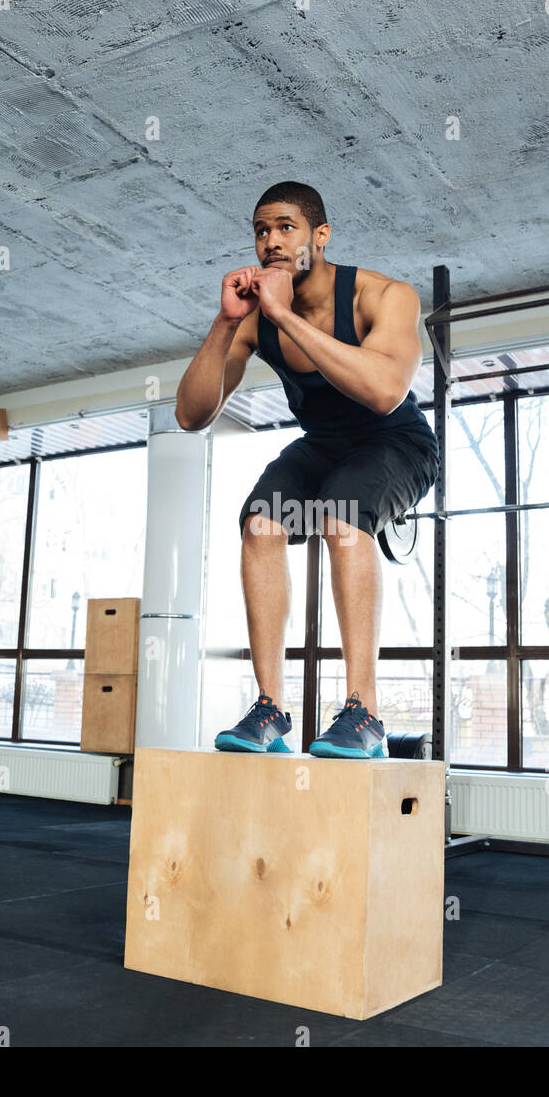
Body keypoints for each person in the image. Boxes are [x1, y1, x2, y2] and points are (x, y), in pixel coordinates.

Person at [176, 181, 438, 758]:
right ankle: (270, 707)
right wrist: (227, 323)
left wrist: (284, 315)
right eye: (261, 230)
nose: (271, 241)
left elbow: (385, 392)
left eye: (286, 227)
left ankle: (364, 713)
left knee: (342, 519)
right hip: (322, 446)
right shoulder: (251, 318)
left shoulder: (384, 295)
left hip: (396, 442)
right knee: (261, 525)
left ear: (320, 235)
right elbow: (192, 416)